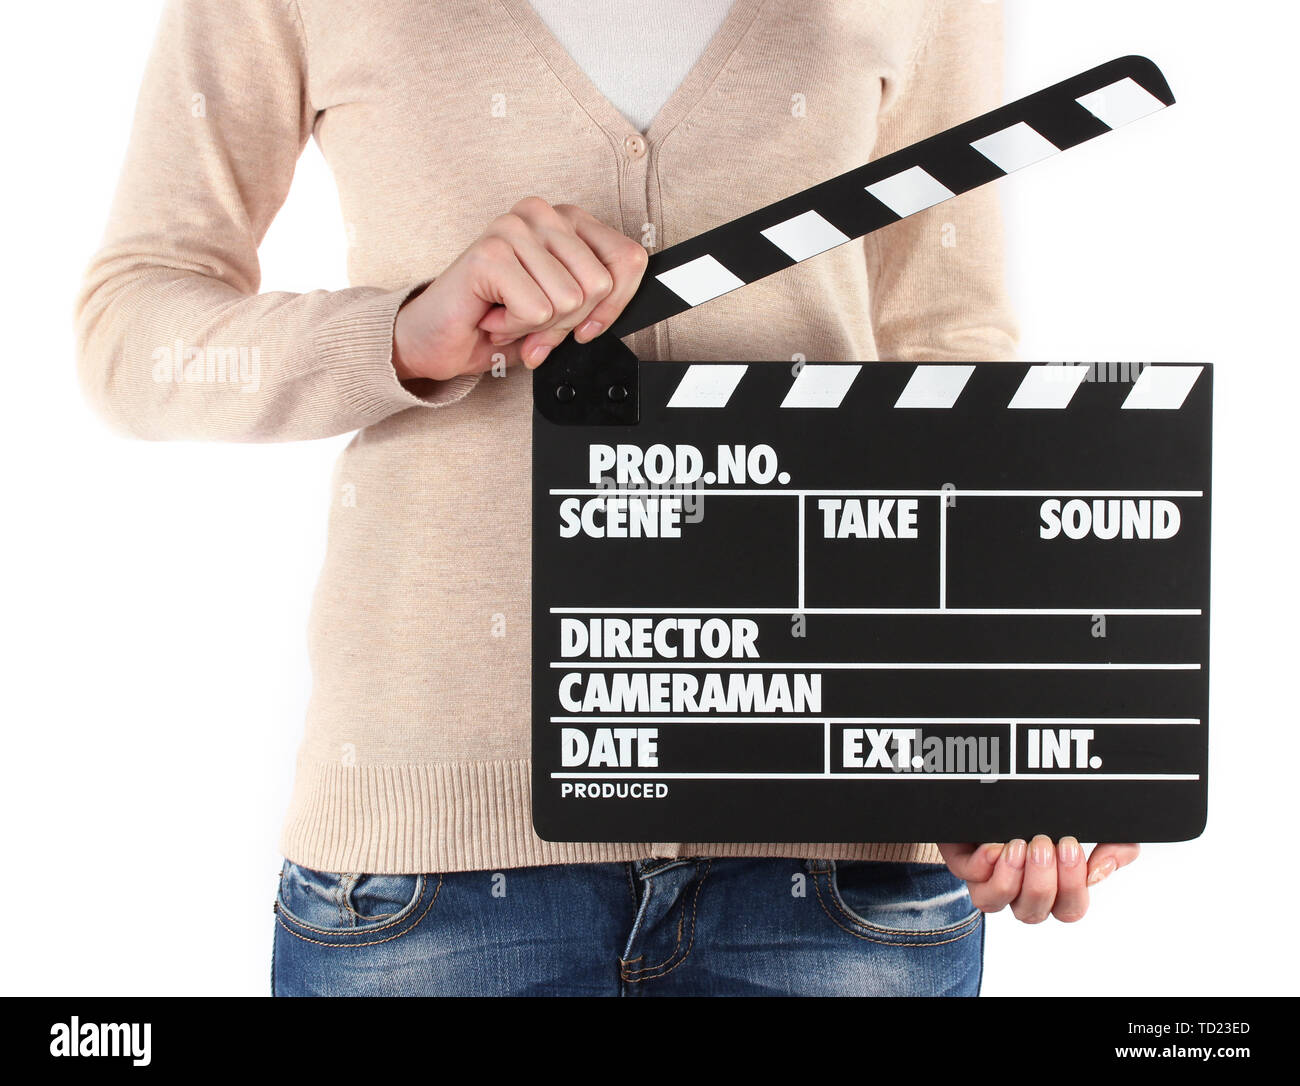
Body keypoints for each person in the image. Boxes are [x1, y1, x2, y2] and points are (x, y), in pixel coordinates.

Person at [75, 0, 1137, 997]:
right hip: (430, 858)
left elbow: (948, 349)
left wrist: (997, 731)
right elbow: (131, 332)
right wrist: (399, 331)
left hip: (839, 856)